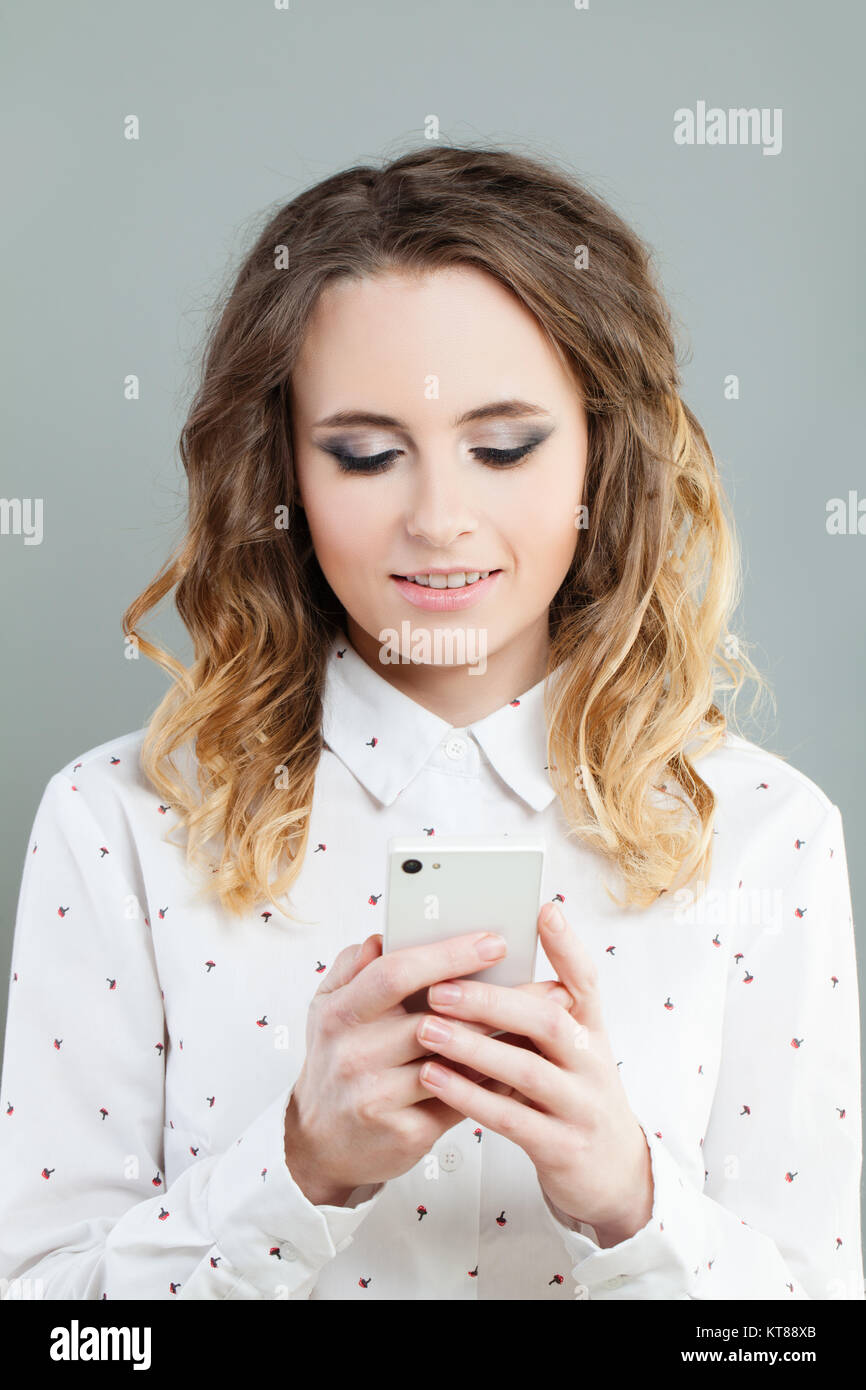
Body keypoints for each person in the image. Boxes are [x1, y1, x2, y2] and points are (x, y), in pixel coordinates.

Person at [0, 145, 861, 1301]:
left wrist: (630, 1203)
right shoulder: (117, 825)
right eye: (364, 453)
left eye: (504, 447)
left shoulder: (764, 834)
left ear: (600, 457)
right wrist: (294, 1171)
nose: (438, 520)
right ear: (284, 473)